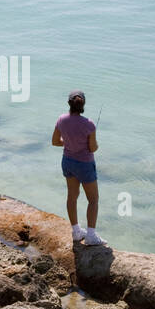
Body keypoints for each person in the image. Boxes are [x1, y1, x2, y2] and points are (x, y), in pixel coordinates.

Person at [52, 89, 105, 246]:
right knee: (93, 199)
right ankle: (91, 235)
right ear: (83, 105)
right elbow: (93, 148)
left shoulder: (61, 120)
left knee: (72, 196)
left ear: (69, 103)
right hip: (85, 164)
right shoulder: (89, 124)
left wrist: (68, 143)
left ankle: (76, 232)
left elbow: (55, 141)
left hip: (68, 161)